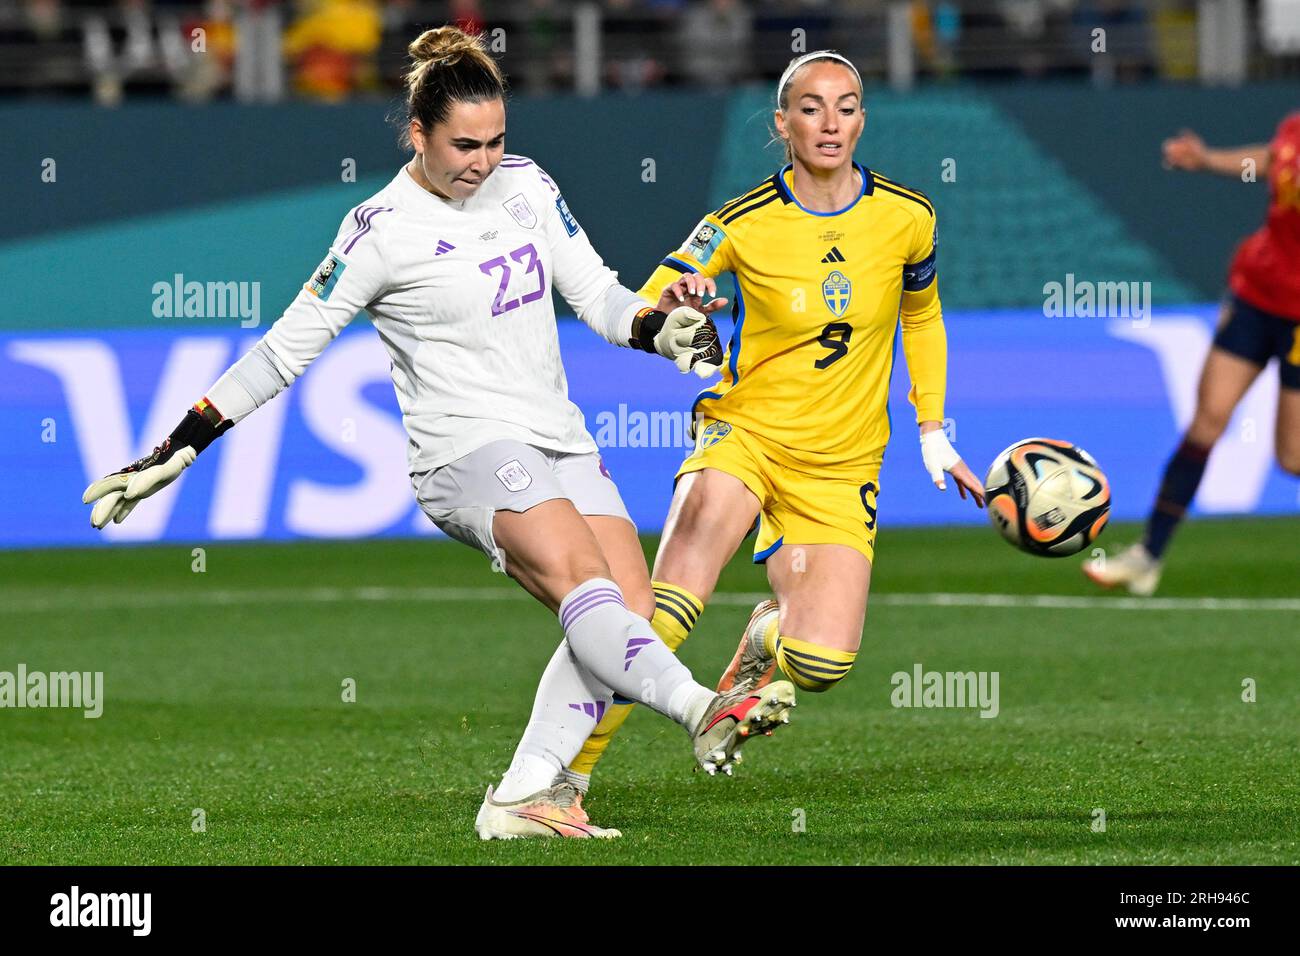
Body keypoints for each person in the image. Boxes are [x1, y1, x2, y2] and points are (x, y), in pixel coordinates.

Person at [81, 26, 797, 841]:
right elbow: (284, 350)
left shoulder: (526, 184)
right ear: (416, 133)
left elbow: (597, 294)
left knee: (627, 611)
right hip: (465, 450)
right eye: (463, 144)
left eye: (496, 141)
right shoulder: (379, 230)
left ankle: (525, 794)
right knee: (579, 580)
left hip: (555, 434)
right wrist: (180, 444)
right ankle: (704, 707)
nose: (482, 161)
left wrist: (657, 328)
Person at [561, 50, 985, 806]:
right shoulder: (741, 221)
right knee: (668, 602)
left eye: (847, 106)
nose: (831, 123)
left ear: (863, 118)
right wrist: (685, 297)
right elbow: (655, 294)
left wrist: (932, 431)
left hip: (843, 462)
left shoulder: (908, 218)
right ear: (782, 123)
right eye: (812, 108)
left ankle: (764, 638)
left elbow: (922, 317)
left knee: (823, 664)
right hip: (746, 433)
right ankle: (568, 776)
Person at [1083, 115, 1300, 596]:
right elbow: (1270, 160)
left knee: (1292, 457)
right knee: (1206, 422)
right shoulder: (1295, 127)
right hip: (1257, 295)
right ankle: (1148, 555)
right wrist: (1205, 160)